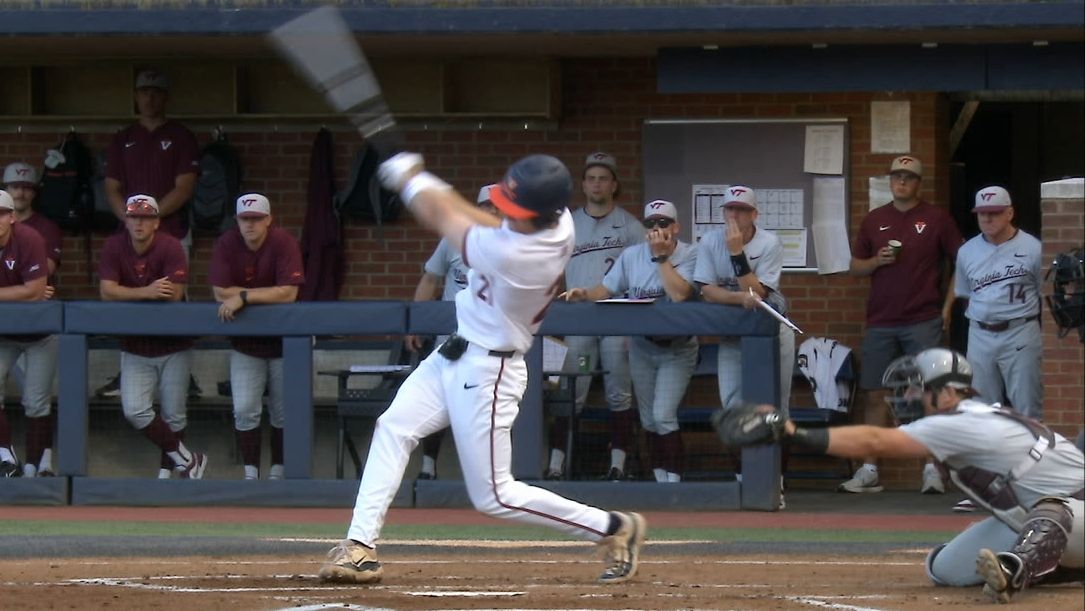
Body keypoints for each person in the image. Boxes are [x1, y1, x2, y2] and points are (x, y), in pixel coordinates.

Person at [318, 152, 645, 585]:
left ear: (539, 215)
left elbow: (441, 214)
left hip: (490, 374)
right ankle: (360, 547)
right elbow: (474, 214)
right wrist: (423, 180)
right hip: (454, 353)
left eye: (515, 210)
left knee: (495, 496)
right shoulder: (555, 218)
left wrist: (413, 179)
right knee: (393, 426)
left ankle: (612, 527)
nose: (505, 215)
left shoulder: (518, 254)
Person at [713, 347, 1084, 604]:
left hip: (1074, 510)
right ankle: (1058, 567)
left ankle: (1018, 569)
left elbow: (875, 440)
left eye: (916, 387)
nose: (907, 395)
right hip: (1035, 515)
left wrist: (792, 432)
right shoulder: (967, 415)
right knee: (944, 569)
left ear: (947, 393)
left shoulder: (963, 422)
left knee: (1051, 509)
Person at [843, 155, 962, 494]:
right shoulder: (875, 219)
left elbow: (963, 262)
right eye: (897, 176)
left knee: (931, 393)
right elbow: (854, 267)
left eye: (909, 177)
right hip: (881, 319)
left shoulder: (936, 218)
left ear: (918, 183)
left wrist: (947, 306)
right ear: (890, 181)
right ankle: (869, 469)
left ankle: (932, 469)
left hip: (923, 318)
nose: (902, 182)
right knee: (874, 393)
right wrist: (875, 261)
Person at [564, 199, 697, 482]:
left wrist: (662, 258)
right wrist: (584, 294)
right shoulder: (632, 255)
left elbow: (679, 293)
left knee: (663, 416)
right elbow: (607, 288)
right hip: (642, 346)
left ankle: (675, 486)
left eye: (663, 223)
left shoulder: (690, 253)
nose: (656, 229)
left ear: (676, 227)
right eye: (651, 224)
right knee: (649, 419)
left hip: (677, 348)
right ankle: (662, 485)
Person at [98, 67, 201, 402]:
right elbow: (112, 187)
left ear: (165, 96)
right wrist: (130, 218)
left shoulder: (181, 135)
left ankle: (184, 375)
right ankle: (124, 371)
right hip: (130, 236)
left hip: (172, 230)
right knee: (125, 298)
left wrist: (151, 213)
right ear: (135, 95)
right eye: (144, 91)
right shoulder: (123, 136)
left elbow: (184, 188)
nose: (149, 97)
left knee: (174, 299)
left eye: (156, 91)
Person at [547, 152, 642, 481]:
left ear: (614, 185)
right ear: (583, 185)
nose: (597, 184)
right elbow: (549, 273)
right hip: (577, 319)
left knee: (619, 391)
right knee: (571, 391)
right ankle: (556, 465)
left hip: (617, 317)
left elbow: (645, 272)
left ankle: (618, 464)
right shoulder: (567, 224)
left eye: (604, 178)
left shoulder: (631, 226)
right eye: (591, 178)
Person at [99, 194, 207, 479]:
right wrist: (146, 292)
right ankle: (188, 460)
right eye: (134, 216)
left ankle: (166, 474)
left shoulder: (170, 246)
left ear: (156, 222)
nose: (139, 222)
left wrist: (129, 296)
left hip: (174, 343)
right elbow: (107, 291)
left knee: (174, 414)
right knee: (134, 409)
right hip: (135, 344)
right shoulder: (114, 246)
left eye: (145, 217)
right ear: (126, 219)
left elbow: (175, 294)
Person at [693, 186, 795, 477]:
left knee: (777, 405)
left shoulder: (770, 242)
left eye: (741, 210)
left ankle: (776, 481)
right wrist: (739, 299)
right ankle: (743, 478)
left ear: (754, 214)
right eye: (729, 209)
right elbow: (707, 290)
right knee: (733, 407)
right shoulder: (710, 241)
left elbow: (759, 292)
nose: (734, 215)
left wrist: (737, 253)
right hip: (732, 332)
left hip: (771, 330)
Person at [404, 184, 497, 480]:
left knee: (486, 408)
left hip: (490, 344)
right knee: (439, 400)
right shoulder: (454, 238)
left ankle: (489, 474)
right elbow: (430, 279)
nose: (491, 212)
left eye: (498, 208)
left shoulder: (513, 247)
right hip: (451, 339)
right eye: (487, 206)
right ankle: (429, 466)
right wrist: (417, 321)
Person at [210, 193, 304, 480]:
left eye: (256, 219)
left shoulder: (283, 242)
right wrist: (255, 296)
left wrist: (244, 297)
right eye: (244, 219)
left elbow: (289, 293)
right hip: (245, 345)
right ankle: (250, 474)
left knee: (283, 411)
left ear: (268, 220)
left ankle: (277, 473)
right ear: (237, 221)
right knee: (245, 409)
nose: (250, 225)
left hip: (284, 344)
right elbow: (219, 292)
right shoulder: (227, 243)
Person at [952, 186, 1042, 420]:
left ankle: (1035, 455)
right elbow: (965, 295)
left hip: (1020, 330)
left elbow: (1046, 294)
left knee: (1028, 405)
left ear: (1009, 213)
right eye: (982, 213)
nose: (988, 218)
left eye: (995, 212)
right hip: (980, 333)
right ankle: (991, 457)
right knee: (981, 408)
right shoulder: (967, 251)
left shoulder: (1033, 248)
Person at [0, 190, 56, 478]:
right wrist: (19, 293)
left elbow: (35, 291)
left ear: (11, 217)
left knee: (36, 401)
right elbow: (28, 291)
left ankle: (35, 467)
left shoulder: (30, 238)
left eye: (1, 213)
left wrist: (25, 293)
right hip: (4, 334)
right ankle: (6, 456)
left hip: (39, 335)